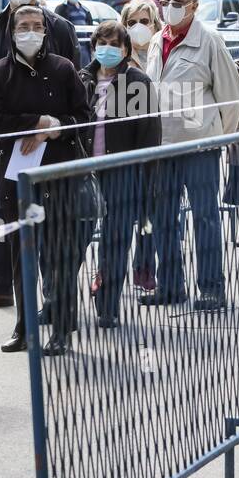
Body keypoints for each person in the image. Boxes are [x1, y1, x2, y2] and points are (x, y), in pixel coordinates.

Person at [0, 0, 78, 314]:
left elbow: (72, 79)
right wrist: (13, 123)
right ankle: (1, 285)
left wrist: (47, 128)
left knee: (47, 212)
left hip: (49, 138)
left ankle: (50, 294)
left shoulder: (60, 28)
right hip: (0, 139)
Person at [0, 4, 92, 354]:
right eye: (23, 25)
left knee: (59, 250)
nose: (30, 31)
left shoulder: (63, 68)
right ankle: (24, 327)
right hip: (16, 177)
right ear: (12, 32)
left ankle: (61, 328)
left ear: (46, 29)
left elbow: (82, 116)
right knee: (21, 253)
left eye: (36, 25)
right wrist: (36, 122)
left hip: (58, 172)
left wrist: (52, 129)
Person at [144, 0, 239, 308]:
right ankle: (171, 286)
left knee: (204, 217)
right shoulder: (158, 40)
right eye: (166, 0)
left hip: (200, 147)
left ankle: (212, 287)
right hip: (163, 147)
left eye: (178, 2)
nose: (169, 7)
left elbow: (231, 96)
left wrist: (216, 136)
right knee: (163, 220)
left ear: (193, 7)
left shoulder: (210, 41)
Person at [79, 21, 162, 326]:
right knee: (74, 239)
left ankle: (107, 305)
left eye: (115, 44)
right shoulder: (82, 79)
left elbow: (150, 136)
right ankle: (58, 303)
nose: (108, 49)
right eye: (102, 43)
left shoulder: (138, 82)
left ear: (126, 50)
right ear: (93, 47)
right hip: (84, 173)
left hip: (122, 175)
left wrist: (147, 183)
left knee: (115, 242)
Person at [120, 0, 162, 70]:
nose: (138, 26)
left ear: (155, 24)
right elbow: (121, 81)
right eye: (132, 23)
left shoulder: (165, 53)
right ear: (125, 26)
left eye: (144, 21)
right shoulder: (120, 56)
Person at [57, 0, 93, 64]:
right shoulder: (61, 9)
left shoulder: (85, 10)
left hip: (84, 46)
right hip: (70, 46)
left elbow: (90, 25)